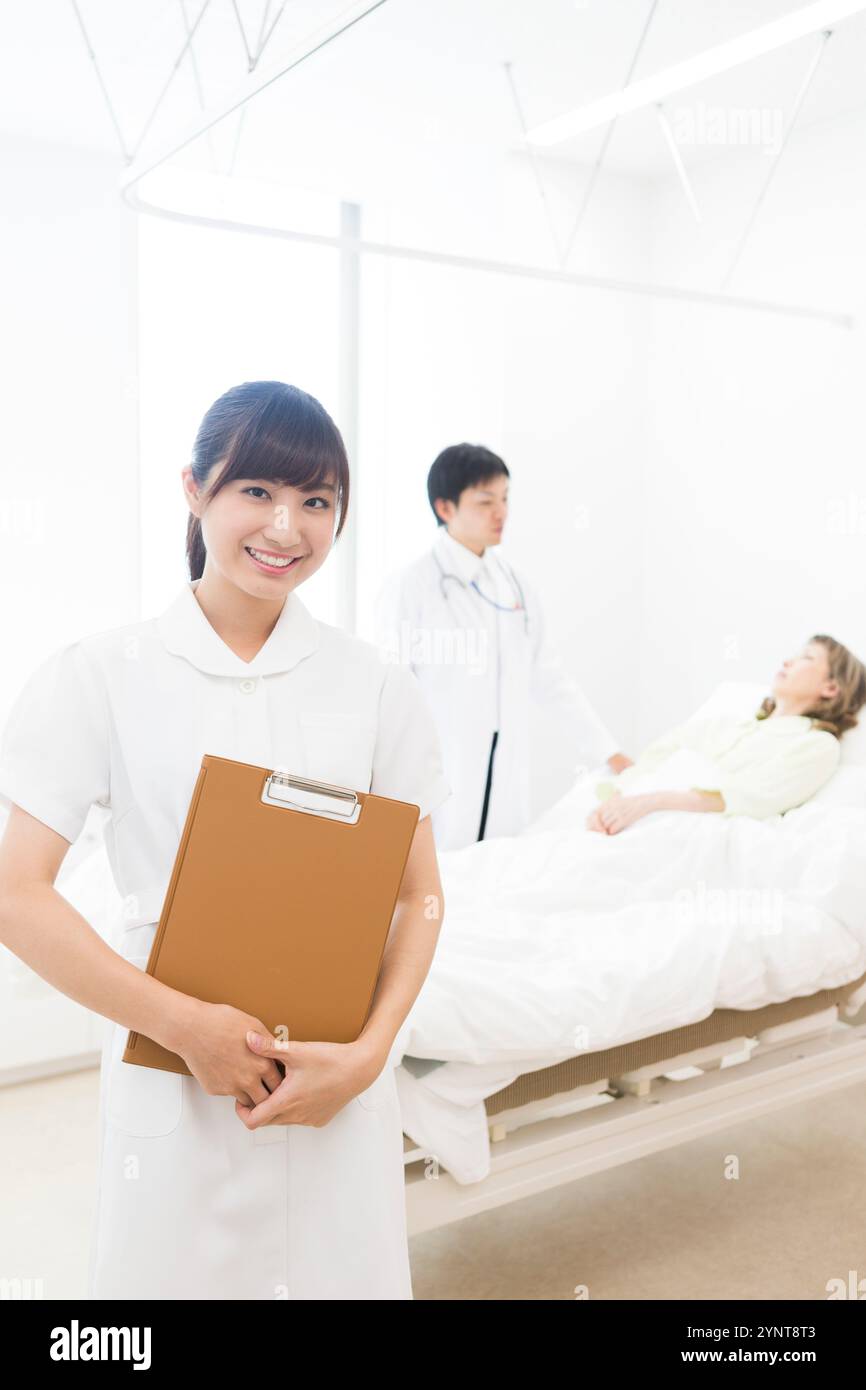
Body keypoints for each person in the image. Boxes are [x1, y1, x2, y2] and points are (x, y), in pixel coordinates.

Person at [0, 380, 452, 1301]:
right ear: (195, 490)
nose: (286, 526)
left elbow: (419, 895)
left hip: (334, 1078)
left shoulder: (375, 687)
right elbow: (15, 891)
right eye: (257, 491)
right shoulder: (101, 674)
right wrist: (181, 1026)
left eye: (317, 502)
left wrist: (368, 1058)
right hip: (172, 1076)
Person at [375, 442, 631, 852]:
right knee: (438, 880)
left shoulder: (514, 585)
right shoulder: (412, 585)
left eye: (505, 499)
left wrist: (608, 752)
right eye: (485, 501)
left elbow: (550, 680)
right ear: (445, 508)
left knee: (498, 881)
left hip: (506, 774)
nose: (501, 512)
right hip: (440, 769)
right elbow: (390, 688)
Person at [586, 636, 866, 835]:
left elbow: (753, 797)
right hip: (628, 815)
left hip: (686, 829)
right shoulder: (724, 725)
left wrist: (650, 803)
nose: (787, 661)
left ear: (831, 687)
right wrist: (617, 798)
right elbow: (656, 756)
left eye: (806, 657)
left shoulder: (817, 744)